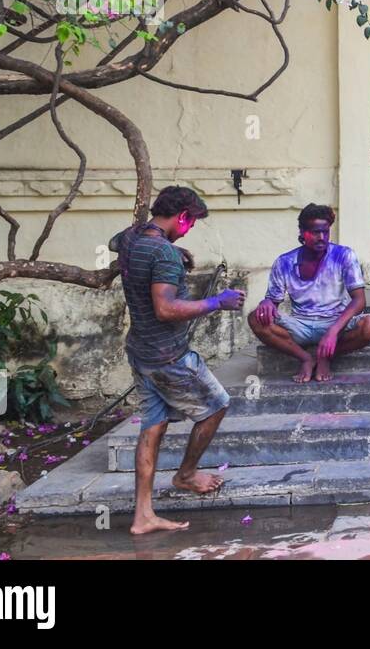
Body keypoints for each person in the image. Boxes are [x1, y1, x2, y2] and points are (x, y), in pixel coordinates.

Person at [111, 185, 246, 535]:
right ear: (182, 216)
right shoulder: (163, 255)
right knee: (216, 405)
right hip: (168, 356)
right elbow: (166, 308)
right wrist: (219, 301)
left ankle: (143, 516)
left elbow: (115, 243)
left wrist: (172, 247)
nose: (190, 229)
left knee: (152, 427)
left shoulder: (131, 238)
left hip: (140, 351)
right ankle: (186, 474)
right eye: (191, 223)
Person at [248, 203, 370, 384]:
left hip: (335, 322)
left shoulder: (344, 255)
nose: (321, 237)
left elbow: (359, 300)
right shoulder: (284, 261)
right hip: (300, 325)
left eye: (325, 232)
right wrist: (266, 303)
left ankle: (324, 356)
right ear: (302, 232)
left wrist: (333, 332)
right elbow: (273, 301)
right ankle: (306, 358)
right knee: (255, 317)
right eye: (315, 232)